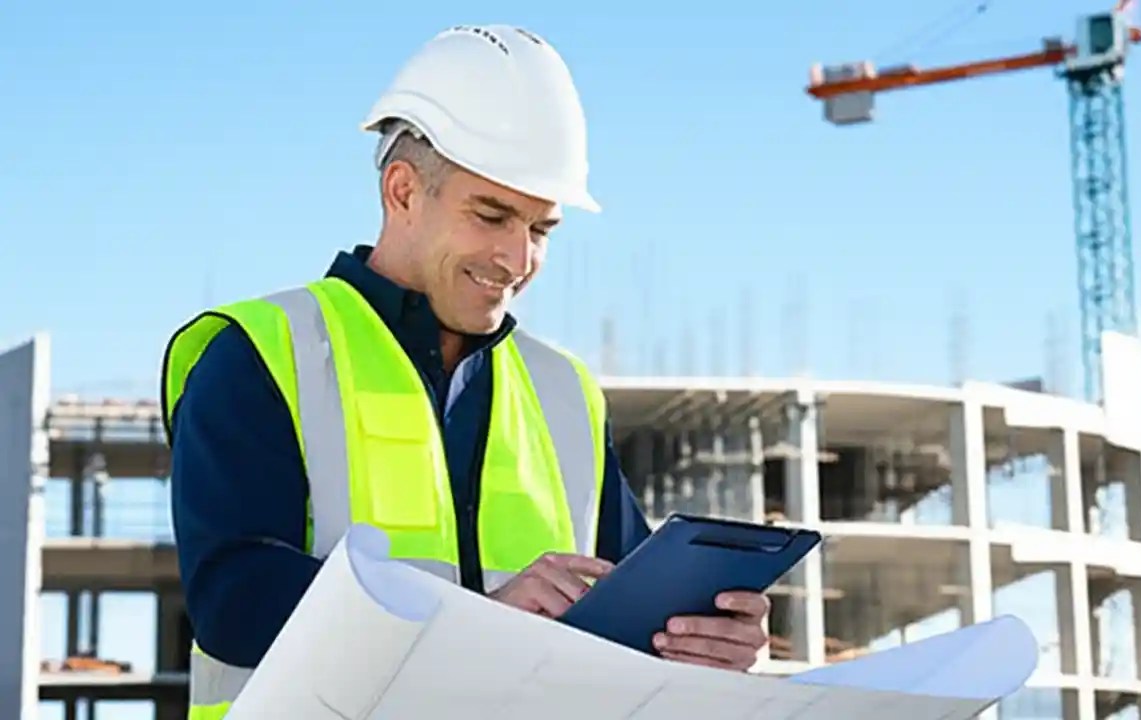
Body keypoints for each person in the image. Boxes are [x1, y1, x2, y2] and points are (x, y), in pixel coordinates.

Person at [161, 24, 769, 718]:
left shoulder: (564, 392)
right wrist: (475, 623)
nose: (517, 258)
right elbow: (234, 601)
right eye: (492, 215)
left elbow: (619, 609)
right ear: (402, 192)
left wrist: (701, 633)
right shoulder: (261, 352)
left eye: (540, 229)